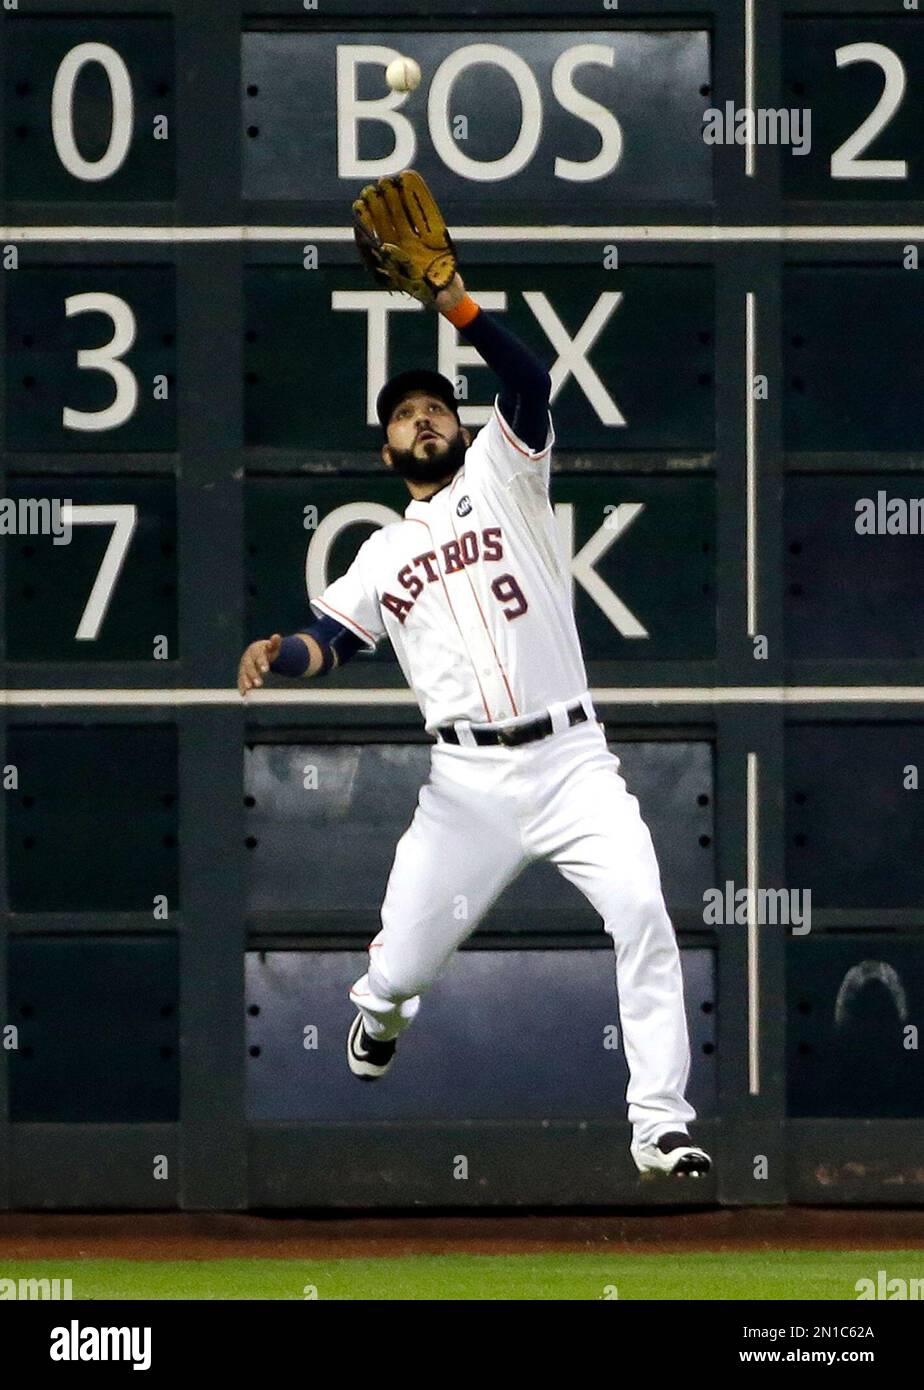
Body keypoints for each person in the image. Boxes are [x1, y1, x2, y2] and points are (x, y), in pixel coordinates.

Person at [237, 271, 711, 1178]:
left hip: (573, 761)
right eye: (405, 414)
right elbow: (329, 640)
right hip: (468, 788)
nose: (423, 418)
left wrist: (455, 299)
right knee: (402, 969)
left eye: (435, 406)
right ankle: (379, 1014)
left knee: (643, 910)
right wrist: (279, 651)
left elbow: (530, 383)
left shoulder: (507, 470)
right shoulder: (380, 552)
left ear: (461, 426)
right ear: (385, 453)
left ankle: (659, 1125)